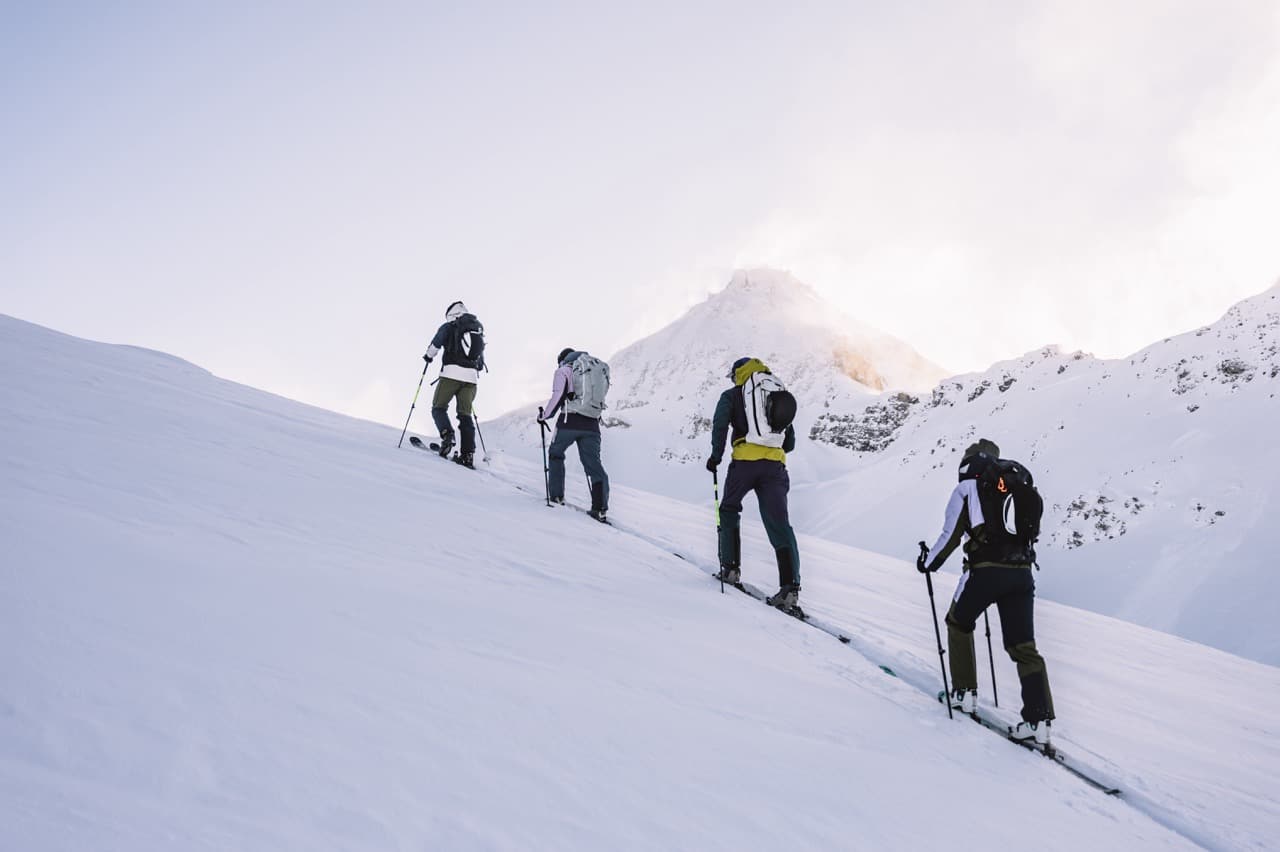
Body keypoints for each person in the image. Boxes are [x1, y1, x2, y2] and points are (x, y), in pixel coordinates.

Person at [918, 438, 1055, 745]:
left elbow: (950, 535)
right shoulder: (1014, 484)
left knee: (958, 622)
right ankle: (1039, 721)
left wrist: (928, 564)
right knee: (1024, 648)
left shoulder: (966, 489)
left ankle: (964, 693)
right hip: (1022, 575)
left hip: (985, 572)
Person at [706, 357, 800, 611]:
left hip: (744, 464)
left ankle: (731, 569)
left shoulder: (733, 394)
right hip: (775, 467)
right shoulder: (775, 391)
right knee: (779, 524)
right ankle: (790, 588)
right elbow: (789, 442)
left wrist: (716, 456)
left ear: (737, 373)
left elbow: (720, 425)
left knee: (728, 509)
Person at [537, 348, 611, 521]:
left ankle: (556, 496)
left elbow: (558, 396)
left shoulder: (564, 370)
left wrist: (544, 416)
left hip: (569, 421)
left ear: (562, 360)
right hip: (592, 424)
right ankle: (599, 508)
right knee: (594, 465)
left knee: (556, 454)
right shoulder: (595, 369)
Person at [422, 301, 485, 468]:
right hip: (471, 379)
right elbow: (480, 361)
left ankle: (447, 435)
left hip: (451, 374)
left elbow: (435, 344)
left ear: (451, 314)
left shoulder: (449, 326)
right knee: (465, 415)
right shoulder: (476, 328)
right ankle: (468, 455)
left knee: (438, 408)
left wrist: (428, 357)